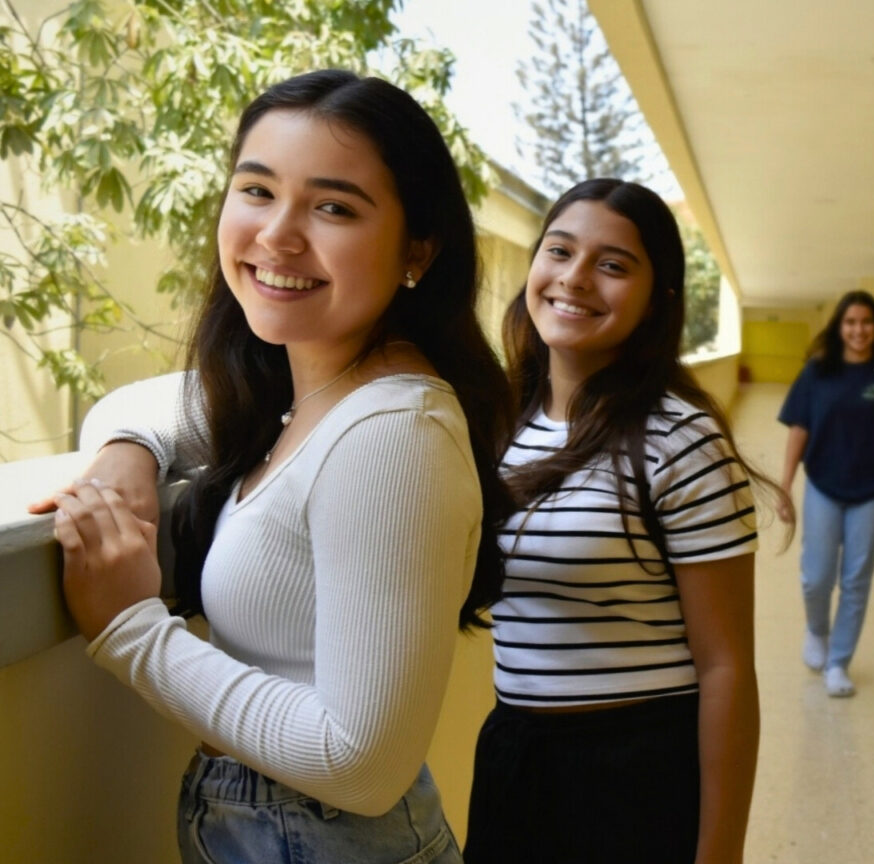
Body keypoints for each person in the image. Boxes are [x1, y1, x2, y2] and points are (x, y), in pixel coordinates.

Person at [27, 70, 514, 861]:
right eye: (256, 190)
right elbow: (134, 407)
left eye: (333, 208)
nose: (278, 235)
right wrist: (127, 458)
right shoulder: (303, 385)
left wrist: (129, 629)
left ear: (416, 249)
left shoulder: (394, 435)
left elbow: (363, 767)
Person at [462, 179, 772, 864]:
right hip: (515, 756)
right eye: (560, 251)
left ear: (658, 298)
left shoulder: (679, 439)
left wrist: (720, 853)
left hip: (636, 773)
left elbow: (726, 667)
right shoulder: (492, 422)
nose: (574, 279)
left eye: (612, 265)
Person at [776, 291, 874, 697]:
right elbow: (799, 429)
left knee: (856, 579)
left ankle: (839, 662)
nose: (859, 330)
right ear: (839, 327)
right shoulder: (817, 372)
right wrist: (784, 486)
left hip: (871, 490)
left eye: (867, 322)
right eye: (851, 322)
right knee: (816, 576)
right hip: (823, 484)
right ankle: (817, 630)